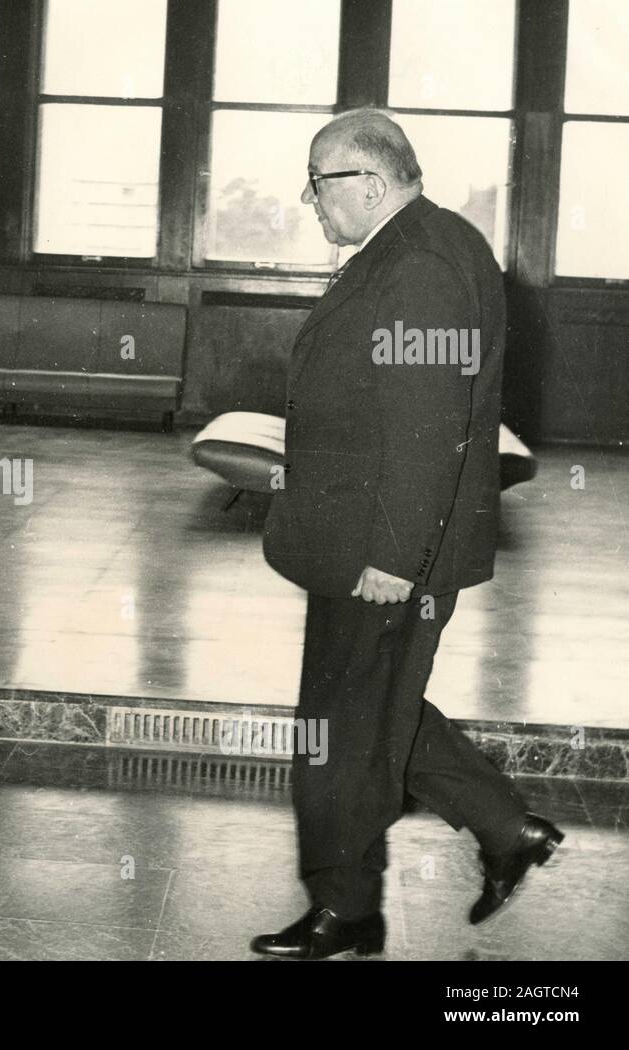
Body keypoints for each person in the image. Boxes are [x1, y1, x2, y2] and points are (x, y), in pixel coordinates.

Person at [252, 108, 563, 960]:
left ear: (371, 182)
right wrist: (312, 469)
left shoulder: (420, 265)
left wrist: (394, 556)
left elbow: (429, 426)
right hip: (364, 526)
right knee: (373, 706)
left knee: (342, 726)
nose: (311, 201)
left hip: (384, 556)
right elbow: (378, 405)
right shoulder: (417, 246)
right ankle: (507, 830)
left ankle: (346, 911)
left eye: (319, 183)